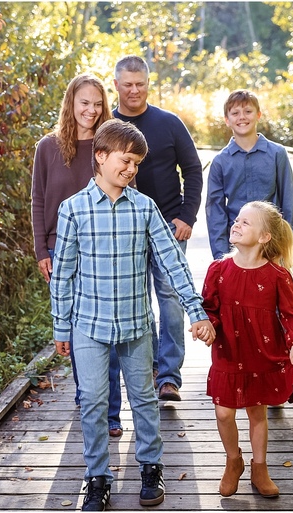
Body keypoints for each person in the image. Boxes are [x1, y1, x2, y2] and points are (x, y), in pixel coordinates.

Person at [50, 119, 216, 511]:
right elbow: (64, 274)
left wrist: (196, 311)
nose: (131, 170)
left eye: (137, 164)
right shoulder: (73, 210)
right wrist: (61, 325)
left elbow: (174, 263)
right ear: (101, 156)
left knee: (143, 399)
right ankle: (97, 477)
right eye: (126, 161)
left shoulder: (144, 208)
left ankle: (150, 466)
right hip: (88, 327)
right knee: (92, 401)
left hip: (136, 326)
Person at [30, 73, 124, 438]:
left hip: (101, 249)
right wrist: (41, 249)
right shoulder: (48, 147)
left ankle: (111, 413)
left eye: (98, 103)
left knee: (108, 335)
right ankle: (88, 399)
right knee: (73, 330)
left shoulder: (108, 149)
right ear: (71, 103)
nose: (91, 109)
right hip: (59, 247)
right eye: (84, 102)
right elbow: (38, 200)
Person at [201, 201, 293, 498]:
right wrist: (206, 325)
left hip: (261, 352)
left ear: (264, 237)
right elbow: (208, 307)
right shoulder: (218, 270)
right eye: (237, 220)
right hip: (228, 350)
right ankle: (233, 461)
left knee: (256, 411)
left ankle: (260, 468)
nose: (236, 224)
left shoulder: (277, 275)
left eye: (245, 222)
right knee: (224, 413)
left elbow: (291, 314)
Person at [112, 55, 204, 402]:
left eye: (140, 84)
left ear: (148, 84)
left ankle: (169, 376)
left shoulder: (169, 123)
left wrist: (187, 216)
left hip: (168, 224)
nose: (134, 90)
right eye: (128, 84)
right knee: (136, 301)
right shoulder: (109, 126)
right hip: (124, 229)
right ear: (116, 84)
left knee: (169, 298)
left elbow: (193, 169)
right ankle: (147, 368)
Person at [206, 89, 293, 261]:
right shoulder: (220, 161)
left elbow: (289, 202)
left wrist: (290, 245)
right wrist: (220, 256)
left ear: (258, 115)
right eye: (235, 113)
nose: (242, 117)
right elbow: (215, 211)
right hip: (236, 249)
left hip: (272, 243)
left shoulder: (277, 154)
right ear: (227, 120)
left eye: (248, 111)